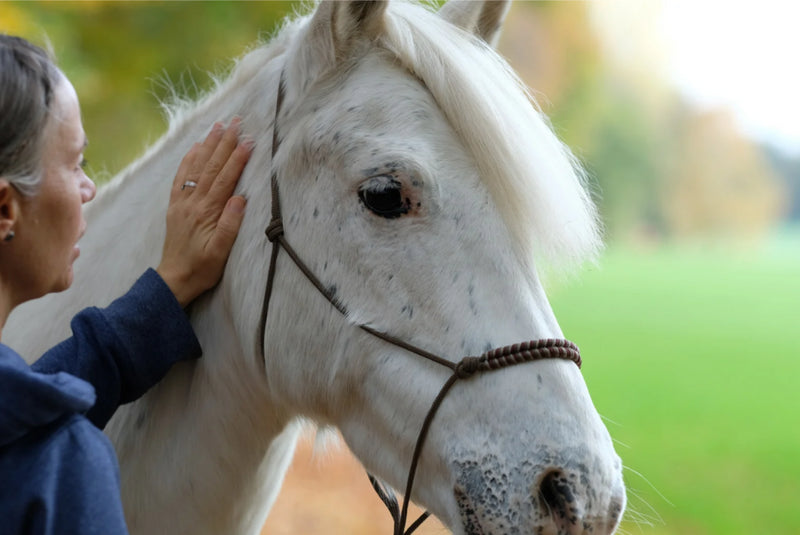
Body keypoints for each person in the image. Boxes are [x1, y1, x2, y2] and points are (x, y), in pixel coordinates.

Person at [0, 35, 252, 534]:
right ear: (5, 210)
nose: (88, 189)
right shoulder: (61, 470)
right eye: (76, 165)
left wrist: (168, 289)